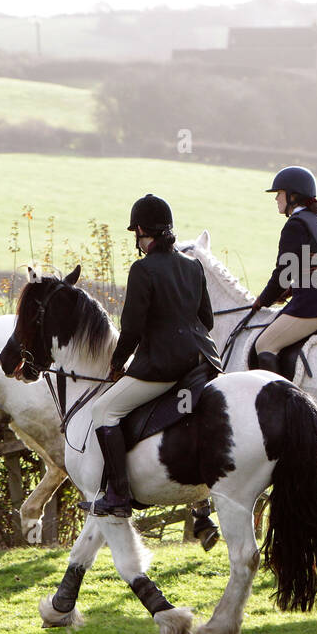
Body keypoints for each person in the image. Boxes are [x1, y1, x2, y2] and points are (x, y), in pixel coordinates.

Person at [81, 194, 221, 518]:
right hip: (204, 361)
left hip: (165, 366)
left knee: (103, 410)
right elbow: (208, 321)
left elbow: (130, 328)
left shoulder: (142, 269)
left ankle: (117, 494)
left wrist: (117, 363)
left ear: (142, 231)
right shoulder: (193, 265)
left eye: (137, 235)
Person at [249, 166, 317, 376]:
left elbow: (283, 272)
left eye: (279, 193)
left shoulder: (295, 224)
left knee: (264, 345)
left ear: (293, 196)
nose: (276, 198)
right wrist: (291, 288)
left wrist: (263, 300)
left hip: (315, 304)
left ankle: (278, 402)